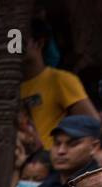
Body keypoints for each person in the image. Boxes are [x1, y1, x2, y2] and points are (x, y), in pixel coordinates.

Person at [19, 18, 97, 148]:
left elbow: (92, 122)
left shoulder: (60, 80)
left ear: (38, 43)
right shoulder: (12, 88)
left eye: (19, 41)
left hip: (54, 159)